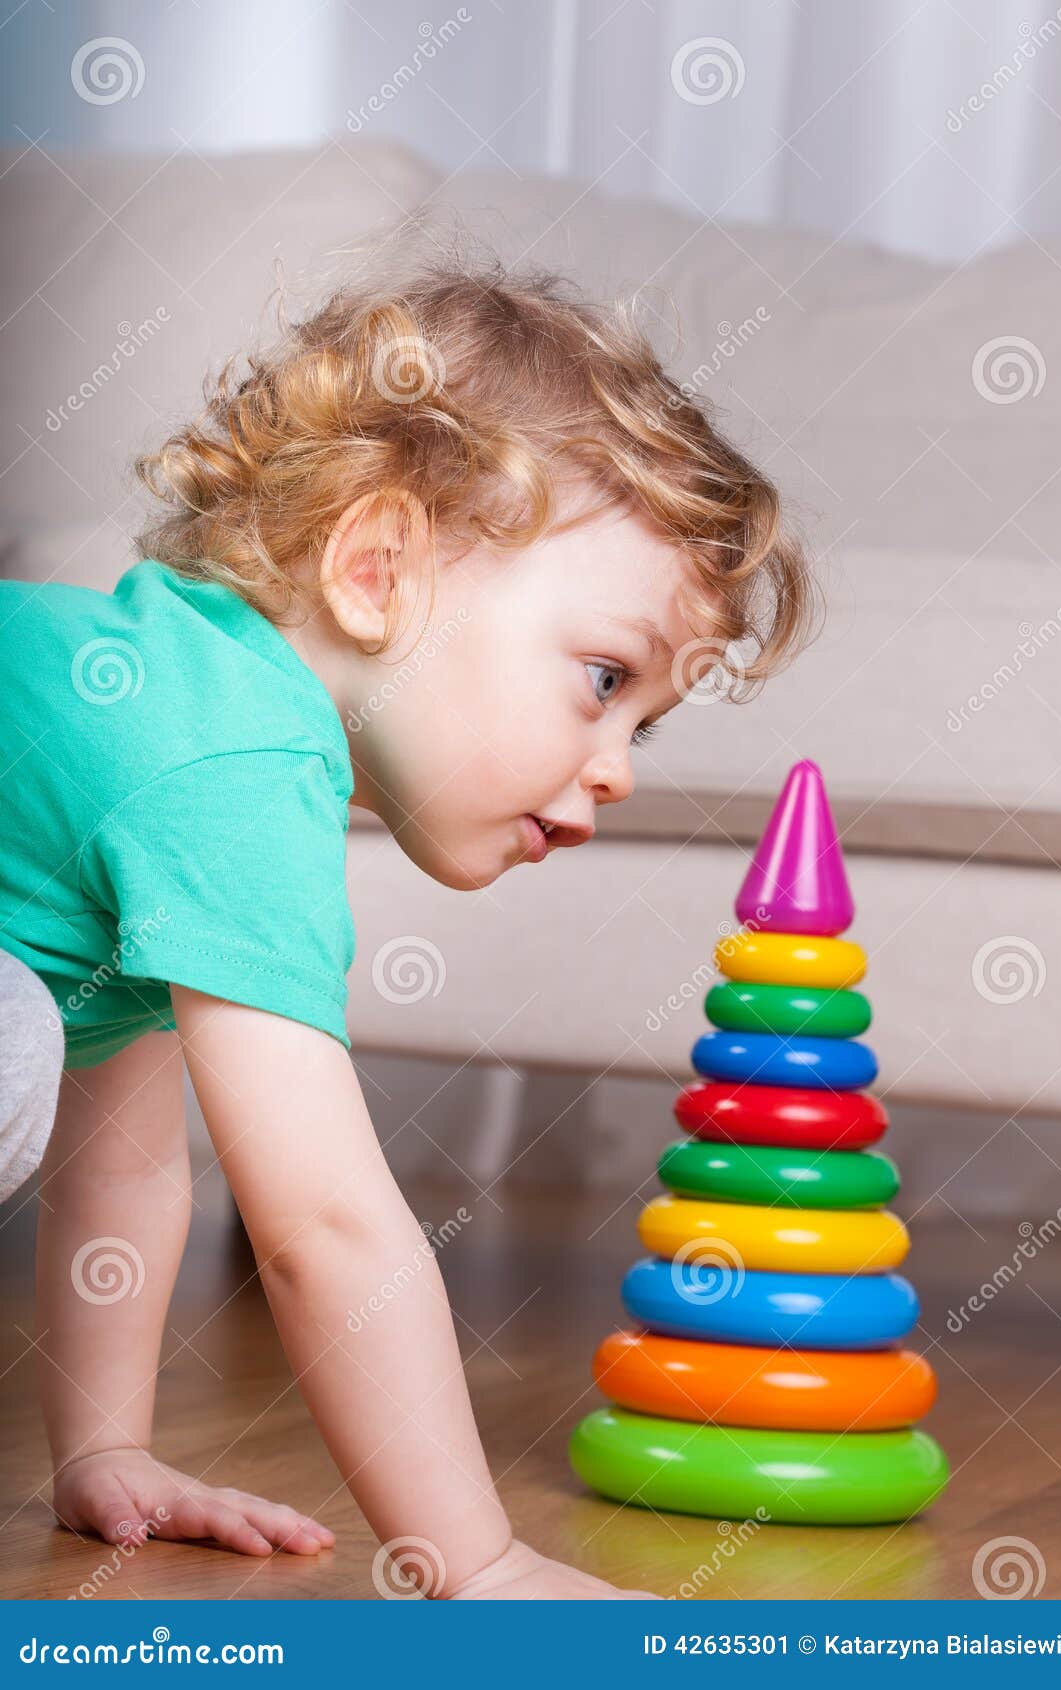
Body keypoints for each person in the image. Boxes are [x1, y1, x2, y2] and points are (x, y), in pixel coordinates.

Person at [0, 238, 813, 1598]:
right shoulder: (224, 773)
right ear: (377, 571)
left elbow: (121, 1166)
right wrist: (475, 1563)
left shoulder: (187, 730)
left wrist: (104, 1449)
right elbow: (322, 1225)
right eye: (602, 678)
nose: (616, 765)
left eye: (644, 725)